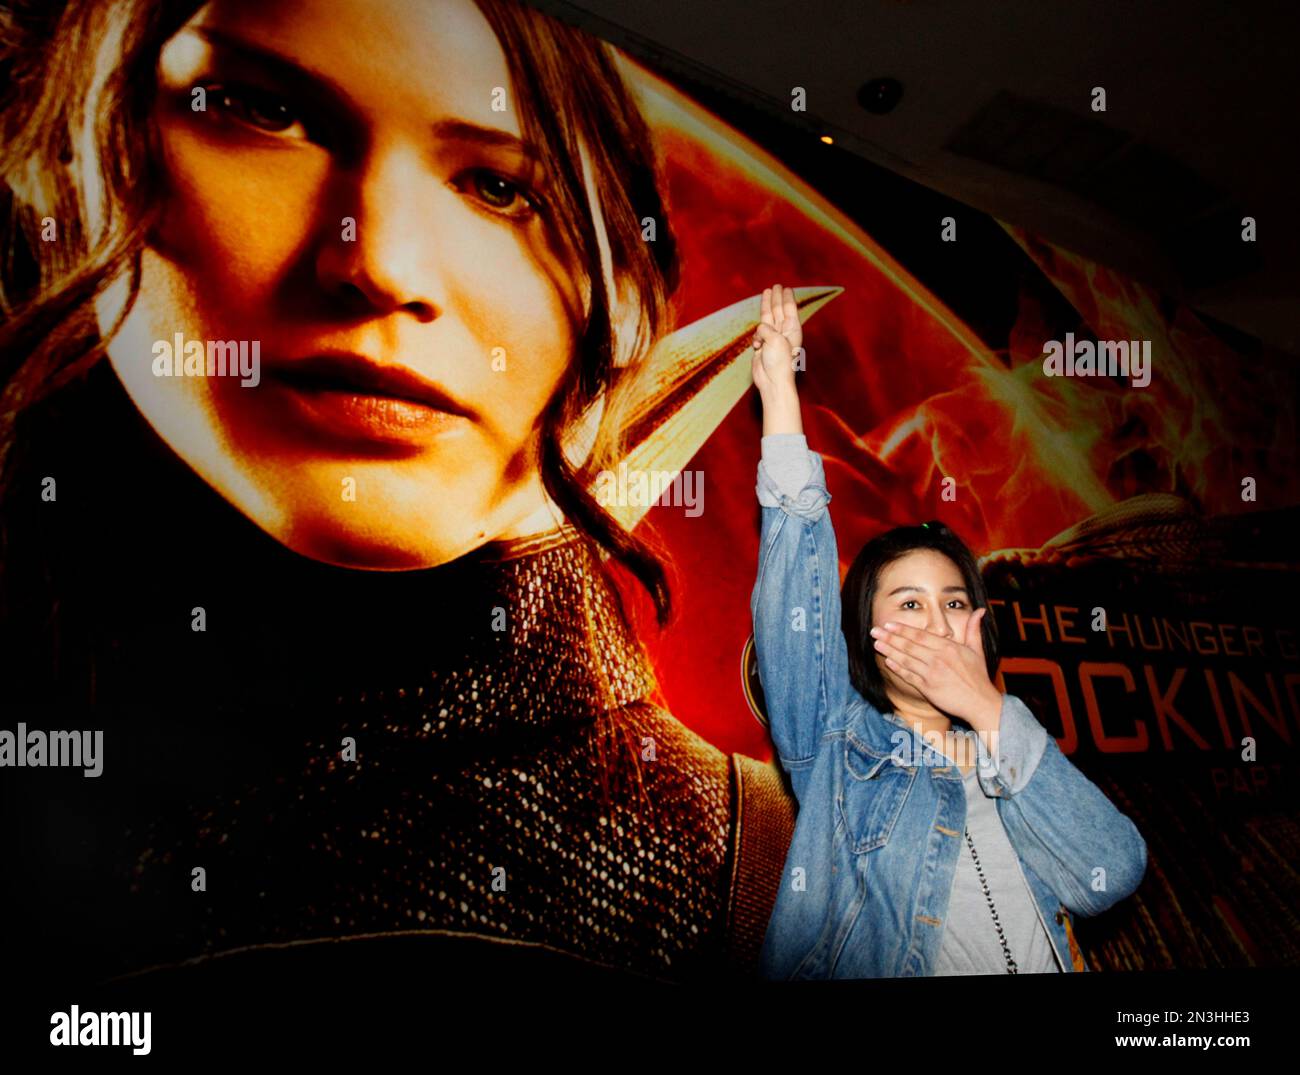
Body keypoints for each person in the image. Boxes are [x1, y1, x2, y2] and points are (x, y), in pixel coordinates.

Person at [0, 0, 793, 989]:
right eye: (260, 110)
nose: (377, 262)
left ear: (625, 298)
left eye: (500, 186)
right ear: (62, 165)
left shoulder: (797, 886)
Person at [748, 283, 1148, 978]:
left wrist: (991, 711)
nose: (936, 621)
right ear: (864, 637)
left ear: (979, 626)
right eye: (908, 604)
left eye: (954, 603)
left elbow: (1109, 870)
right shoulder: (838, 747)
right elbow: (793, 611)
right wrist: (781, 398)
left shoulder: (1012, 755)